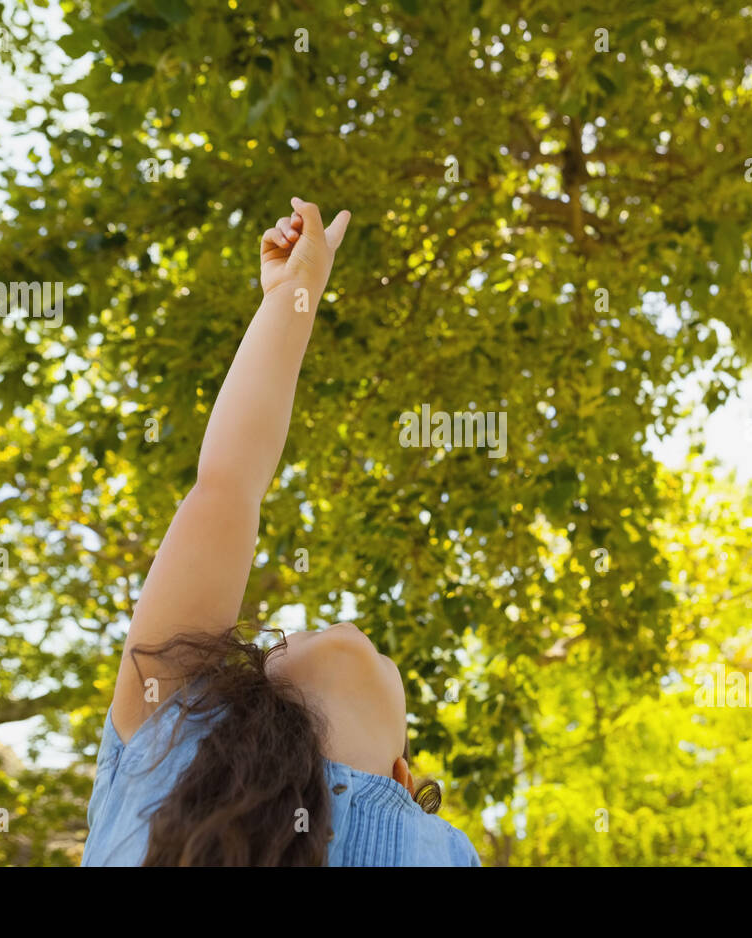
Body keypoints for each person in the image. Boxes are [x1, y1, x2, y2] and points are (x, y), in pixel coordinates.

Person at [81, 197, 480, 867]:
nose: (347, 634)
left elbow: (226, 487)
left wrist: (292, 301)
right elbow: (228, 486)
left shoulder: (169, 732)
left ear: (405, 778)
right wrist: (294, 297)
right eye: (388, 660)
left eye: (280, 653)